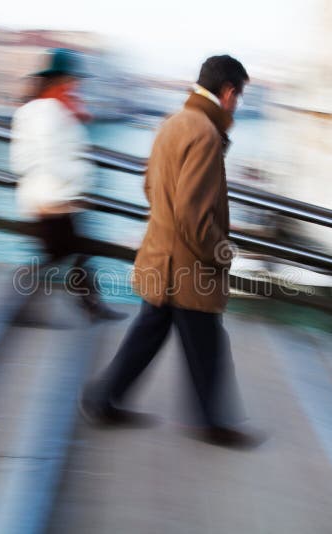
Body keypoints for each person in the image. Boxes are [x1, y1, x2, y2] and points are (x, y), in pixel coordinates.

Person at [80, 55, 263, 449]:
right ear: (228, 92)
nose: (238, 105)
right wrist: (224, 252)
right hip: (189, 267)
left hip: (161, 256)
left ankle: (103, 398)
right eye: (240, 96)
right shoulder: (205, 134)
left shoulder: (172, 123)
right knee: (208, 344)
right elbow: (195, 216)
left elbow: (150, 188)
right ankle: (212, 422)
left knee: (152, 332)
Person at [10, 48, 126, 322]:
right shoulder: (50, 112)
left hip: (50, 196)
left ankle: (90, 306)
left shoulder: (40, 110)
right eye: (72, 78)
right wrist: (76, 186)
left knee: (72, 253)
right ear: (59, 80)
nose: (76, 84)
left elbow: (29, 158)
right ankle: (21, 306)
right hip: (53, 198)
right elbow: (51, 156)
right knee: (62, 254)